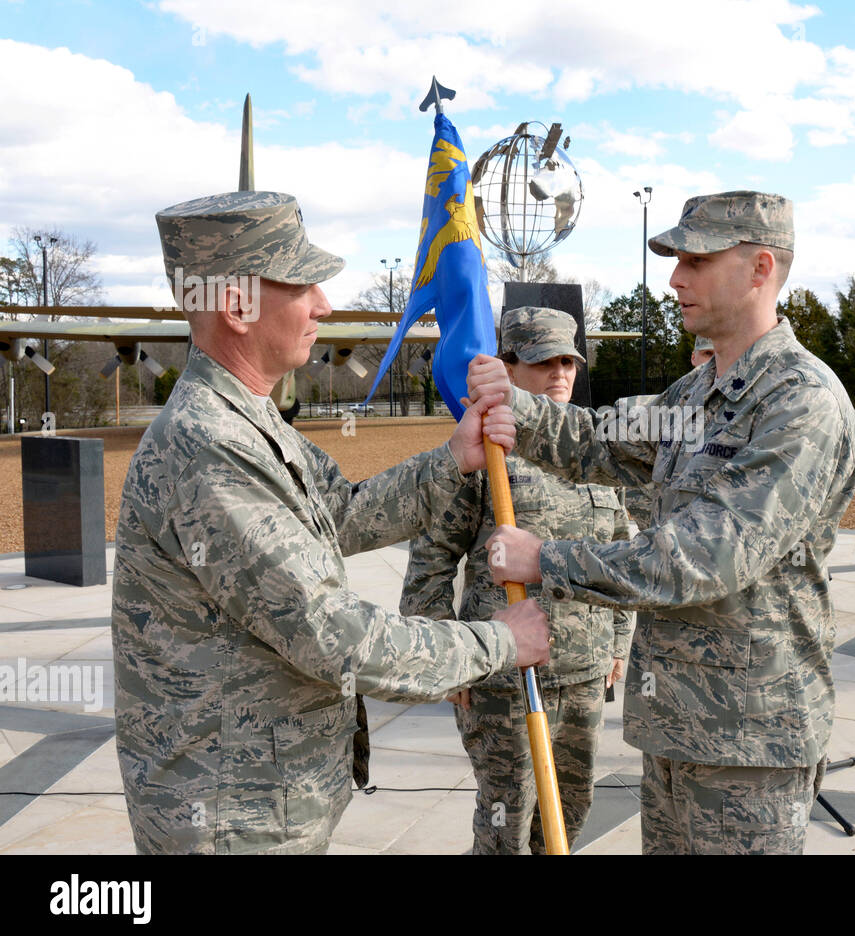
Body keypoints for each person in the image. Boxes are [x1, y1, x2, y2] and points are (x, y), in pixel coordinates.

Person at [112, 190, 550, 855]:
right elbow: (336, 637)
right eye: (303, 284)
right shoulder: (207, 447)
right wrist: (496, 643)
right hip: (233, 822)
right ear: (236, 307)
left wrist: (453, 458)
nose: (323, 304)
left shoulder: (246, 420)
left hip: (261, 804)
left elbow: (339, 513)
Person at [468, 190, 855, 854]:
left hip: (749, 739)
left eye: (695, 261)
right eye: (677, 261)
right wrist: (518, 407)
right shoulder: (698, 391)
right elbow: (602, 441)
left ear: (760, 268)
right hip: (676, 726)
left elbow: (709, 554)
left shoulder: (801, 402)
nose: (676, 279)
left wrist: (548, 561)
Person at [400, 306, 635, 854]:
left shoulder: (593, 454)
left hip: (583, 675)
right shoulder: (484, 452)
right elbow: (431, 561)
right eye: (542, 362)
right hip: (503, 676)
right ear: (507, 366)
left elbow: (620, 553)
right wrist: (446, 659)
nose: (559, 374)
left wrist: (619, 643)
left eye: (567, 362)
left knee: (570, 815)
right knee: (507, 823)